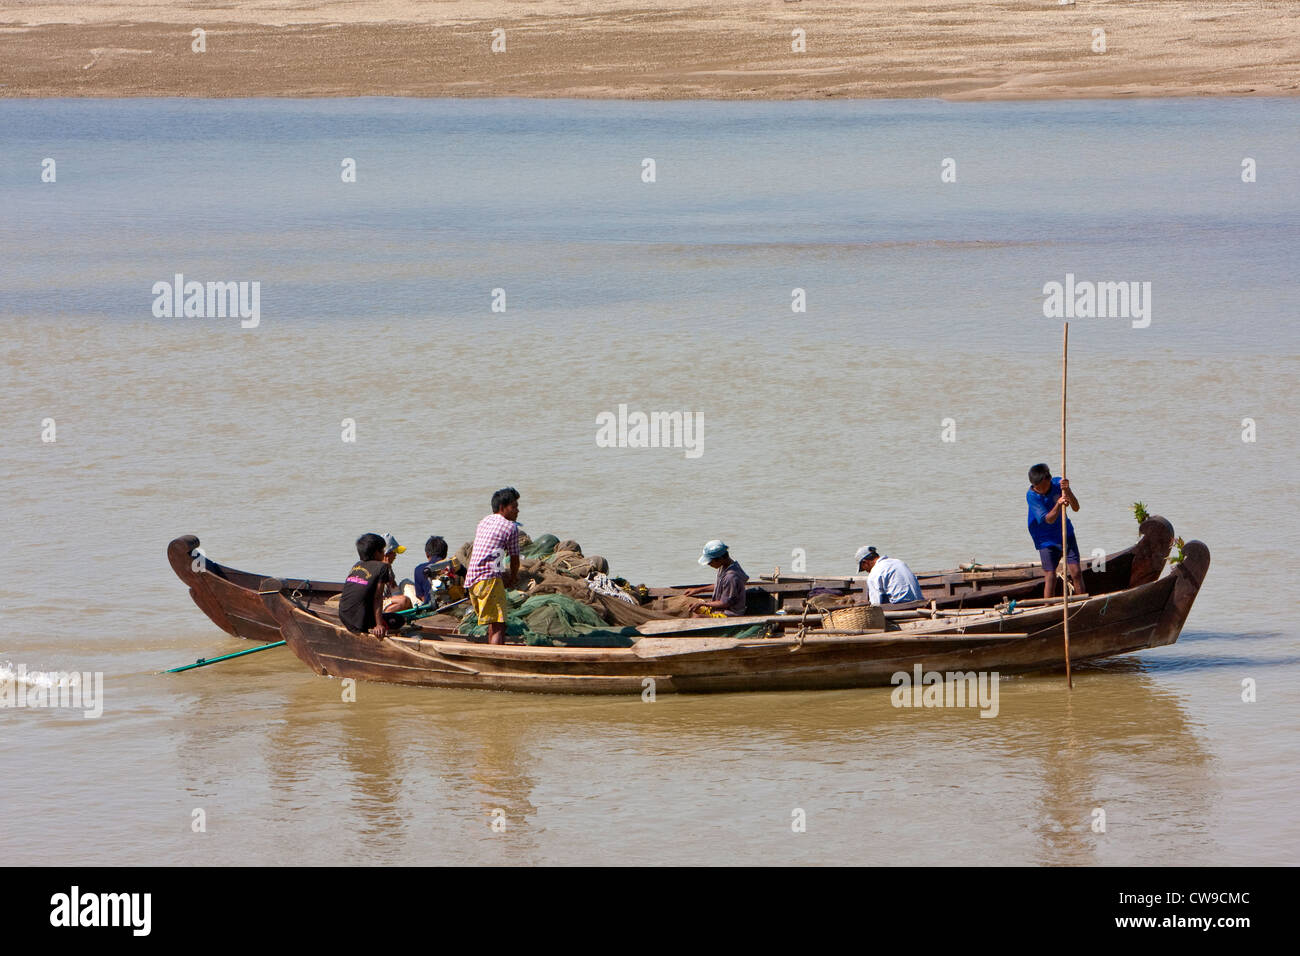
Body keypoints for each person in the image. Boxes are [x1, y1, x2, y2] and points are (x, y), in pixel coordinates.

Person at [466, 487, 522, 645]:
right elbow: (515, 559)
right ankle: (497, 658)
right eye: (514, 507)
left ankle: (491, 650)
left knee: (494, 620)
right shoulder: (511, 527)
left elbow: (491, 552)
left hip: (472, 580)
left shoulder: (484, 521)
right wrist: (512, 578)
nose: (517, 510)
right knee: (499, 624)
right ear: (502, 508)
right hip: (488, 580)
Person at [1026, 463, 1085, 599]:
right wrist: (1058, 504)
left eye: (1041, 487)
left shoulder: (1059, 484)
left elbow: (1076, 507)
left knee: (1076, 572)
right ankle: (1048, 607)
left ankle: (1081, 602)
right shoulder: (1032, 496)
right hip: (1045, 539)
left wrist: (1068, 491)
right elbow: (1048, 519)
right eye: (1036, 487)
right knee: (1051, 576)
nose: (1039, 490)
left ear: (1048, 480)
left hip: (1065, 532)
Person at [339, 533, 401, 637]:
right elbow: (377, 598)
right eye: (382, 550)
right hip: (360, 621)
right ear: (377, 553)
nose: (383, 553)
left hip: (344, 616)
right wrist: (379, 625)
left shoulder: (357, 565)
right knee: (399, 620)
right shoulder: (382, 567)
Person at [684, 540, 749, 616]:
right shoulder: (725, 566)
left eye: (710, 562)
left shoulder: (731, 577)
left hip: (729, 613)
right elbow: (721, 586)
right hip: (720, 608)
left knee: (697, 617)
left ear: (720, 559)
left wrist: (705, 604)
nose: (708, 564)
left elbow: (724, 603)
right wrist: (698, 590)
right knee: (689, 606)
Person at [854, 546, 923, 605]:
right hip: (920, 602)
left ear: (865, 562)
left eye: (864, 569)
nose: (867, 571)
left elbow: (876, 605)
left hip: (902, 606)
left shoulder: (874, 573)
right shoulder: (898, 562)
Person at [413, 535, 451, 604]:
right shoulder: (452, 565)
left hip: (431, 606)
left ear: (427, 554)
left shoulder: (419, 569)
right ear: (445, 554)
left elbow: (420, 596)